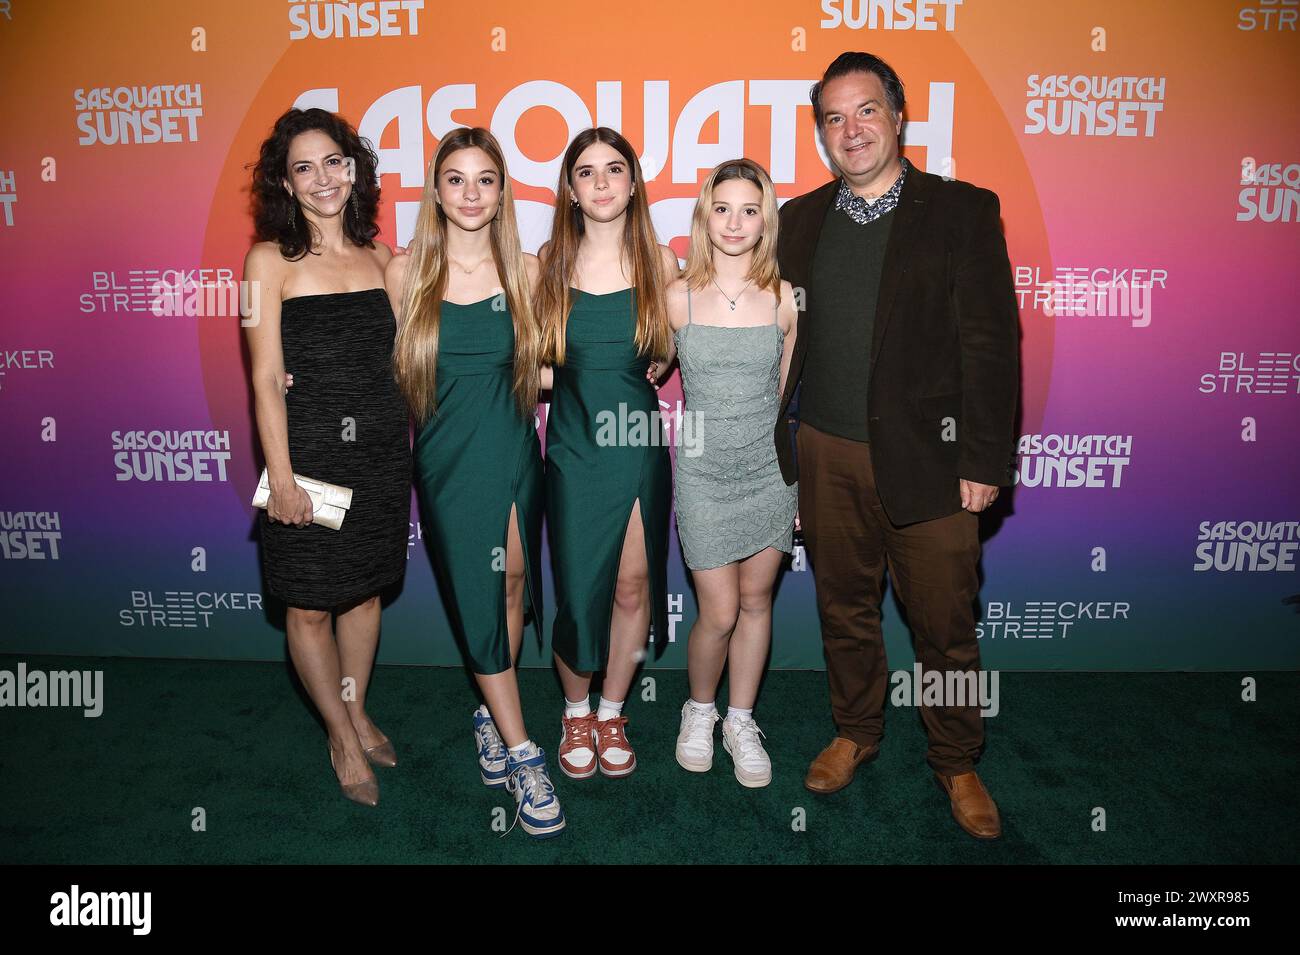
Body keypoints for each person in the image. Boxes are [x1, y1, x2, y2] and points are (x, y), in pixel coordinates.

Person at [774, 52, 1019, 838]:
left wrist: (983, 458)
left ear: (900, 117)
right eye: (835, 118)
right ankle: (857, 730)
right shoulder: (799, 219)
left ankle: (956, 758)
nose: (852, 130)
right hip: (825, 452)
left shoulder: (961, 210)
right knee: (845, 609)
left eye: (867, 110)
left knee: (944, 623)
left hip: (934, 462)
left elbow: (991, 342)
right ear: (821, 134)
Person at [387, 127, 563, 838]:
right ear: (436, 190)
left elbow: (547, 370)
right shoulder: (405, 274)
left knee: (515, 585)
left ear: (501, 192)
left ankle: (491, 713)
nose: (470, 192)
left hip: (515, 447)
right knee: (481, 595)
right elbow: (375, 360)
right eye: (455, 179)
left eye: (484, 179)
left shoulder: (525, 267)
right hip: (448, 458)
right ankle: (523, 753)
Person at [243, 107, 412, 808]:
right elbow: (262, 378)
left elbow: (412, 359)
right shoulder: (264, 262)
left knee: (365, 592)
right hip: (306, 456)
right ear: (285, 181)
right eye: (303, 167)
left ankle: (355, 706)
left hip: (377, 453)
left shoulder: (383, 259)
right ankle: (340, 736)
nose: (322, 179)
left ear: (355, 168)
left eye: (333, 161)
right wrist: (280, 478)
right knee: (309, 607)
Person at [647, 159, 798, 788]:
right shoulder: (676, 296)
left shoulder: (785, 298)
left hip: (769, 474)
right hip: (705, 474)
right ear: (704, 216)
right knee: (718, 612)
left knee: (757, 603)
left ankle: (741, 719)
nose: (734, 222)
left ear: (766, 220)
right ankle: (699, 710)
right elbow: (641, 367)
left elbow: (790, 397)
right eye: (722, 208)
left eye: (749, 209)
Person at [535, 127, 679, 780]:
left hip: (637, 449)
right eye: (586, 171)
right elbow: (533, 370)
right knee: (579, 592)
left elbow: (676, 346)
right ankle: (574, 711)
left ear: (632, 182)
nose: (600, 182)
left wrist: (667, 351)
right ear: (569, 188)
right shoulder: (546, 264)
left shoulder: (663, 262)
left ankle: (612, 709)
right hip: (572, 449)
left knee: (630, 586)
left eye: (613, 169)